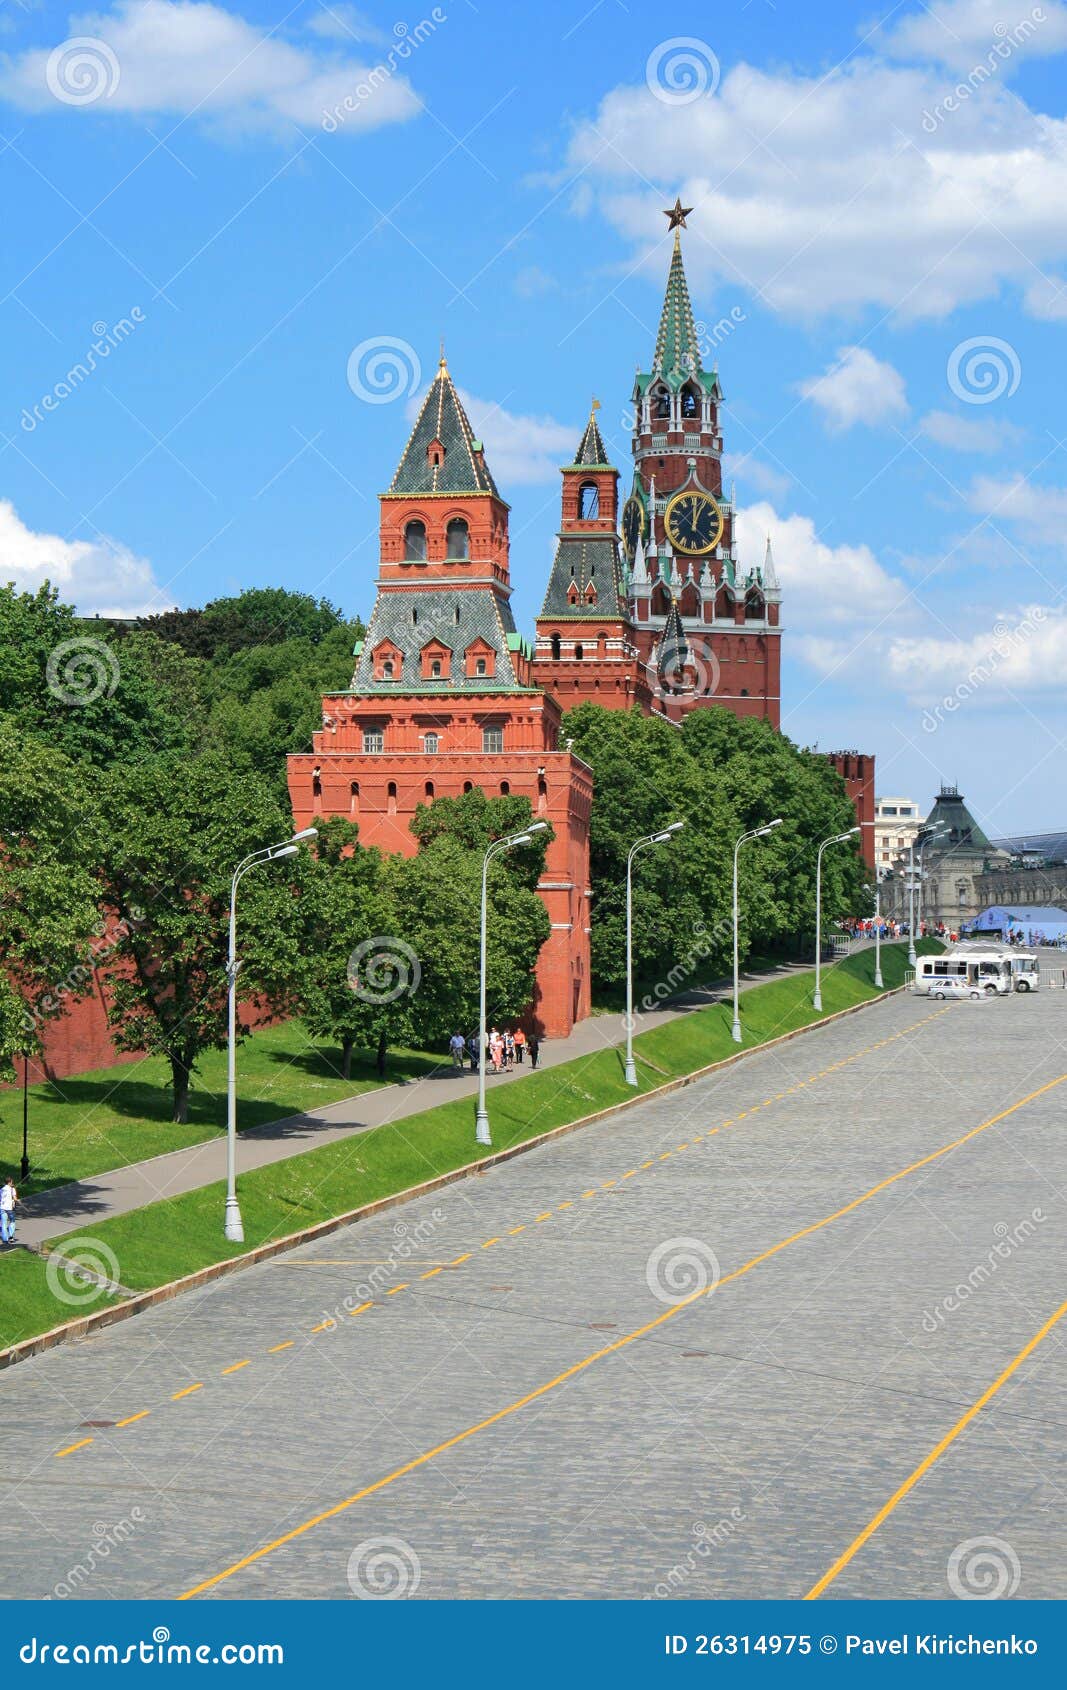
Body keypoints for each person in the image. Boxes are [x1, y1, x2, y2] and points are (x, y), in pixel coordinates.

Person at [0, 1175, 17, 1246]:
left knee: (4, 1223)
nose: (12, 1183)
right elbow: (15, 1198)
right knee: (12, 1221)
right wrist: (15, 1200)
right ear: (10, 1182)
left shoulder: (1, 1189)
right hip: (9, 1208)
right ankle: (11, 1237)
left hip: (2, 1208)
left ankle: (5, 1239)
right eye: (12, 1182)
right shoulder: (12, 1189)